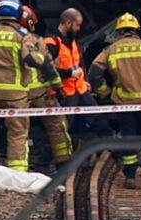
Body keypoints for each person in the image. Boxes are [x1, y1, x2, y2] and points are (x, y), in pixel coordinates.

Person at [0, 0, 64, 171]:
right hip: (15, 93)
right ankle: (17, 169)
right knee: (18, 132)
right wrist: (41, 58)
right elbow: (32, 59)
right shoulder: (22, 36)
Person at [88, 13, 141, 189]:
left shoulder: (111, 50)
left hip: (125, 104)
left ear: (119, 31)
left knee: (129, 138)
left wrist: (104, 92)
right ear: (137, 30)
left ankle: (130, 177)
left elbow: (93, 74)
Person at [45, 8, 113, 142]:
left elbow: (79, 65)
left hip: (80, 89)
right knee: (62, 129)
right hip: (64, 93)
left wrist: (84, 80)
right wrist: (70, 73)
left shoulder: (73, 43)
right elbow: (47, 70)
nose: (79, 28)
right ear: (68, 23)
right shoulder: (52, 43)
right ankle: (47, 160)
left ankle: (111, 147)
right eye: (77, 25)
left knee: (98, 121)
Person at [20, 6, 70, 169]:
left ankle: (20, 162)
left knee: (19, 129)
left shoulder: (10, 38)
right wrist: (59, 87)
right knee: (56, 125)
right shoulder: (36, 40)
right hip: (40, 91)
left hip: (19, 92)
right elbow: (48, 66)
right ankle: (64, 161)